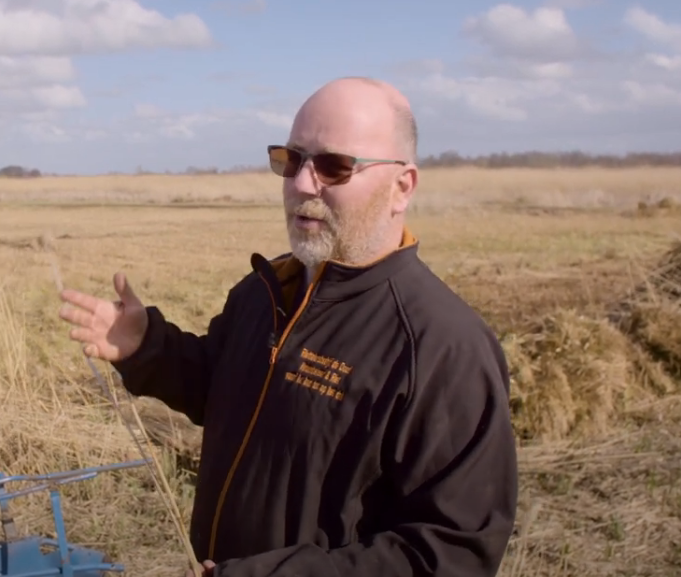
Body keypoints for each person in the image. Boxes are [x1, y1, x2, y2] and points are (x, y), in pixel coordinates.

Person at [57, 76, 519, 577]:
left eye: (334, 166)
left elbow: (450, 554)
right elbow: (221, 389)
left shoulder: (443, 348)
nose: (301, 183)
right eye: (291, 159)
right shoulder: (266, 291)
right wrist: (147, 346)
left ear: (401, 187)